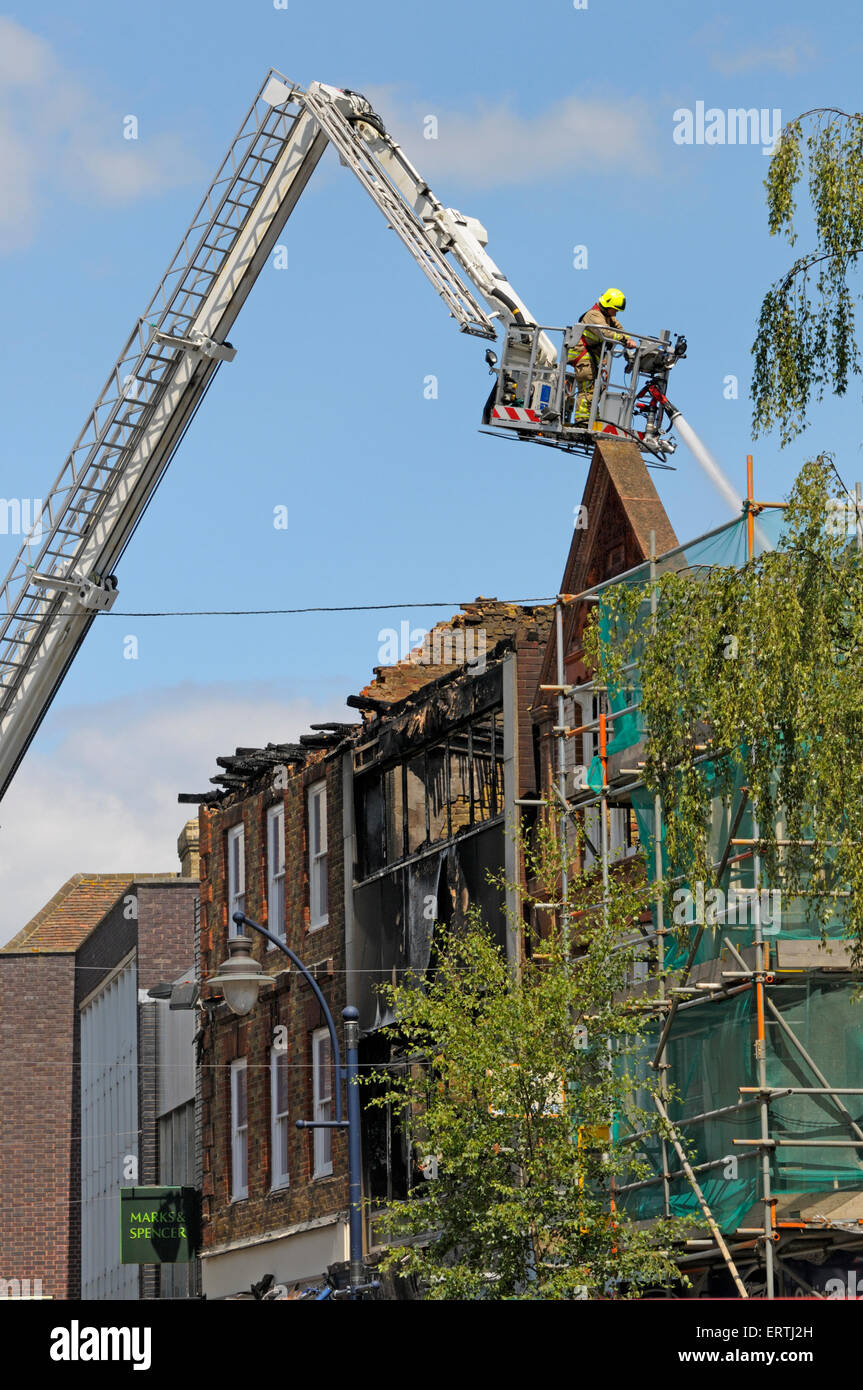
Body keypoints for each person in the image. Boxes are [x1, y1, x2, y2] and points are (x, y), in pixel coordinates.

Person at [567, 288, 635, 426]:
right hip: (583, 358)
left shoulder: (608, 317)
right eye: (615, 309)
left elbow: (620, 330)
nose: (616, 313)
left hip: (592, 359)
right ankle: (582, 421)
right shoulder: (593, 315)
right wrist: (624, 340)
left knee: (597, 389)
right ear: (608, 306)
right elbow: (605, 332)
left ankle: (592, 418)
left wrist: (627, 339)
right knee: (587, 390)